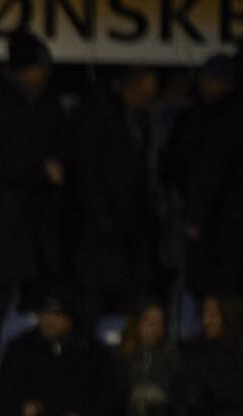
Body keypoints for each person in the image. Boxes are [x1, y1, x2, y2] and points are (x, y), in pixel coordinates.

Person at [0, 33, 68, 337]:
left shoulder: (49, 102)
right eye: (38, 67)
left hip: (39, 229)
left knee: (35, 309)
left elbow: (63, 147)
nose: (43, 74)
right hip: (0, 226)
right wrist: (38, 170)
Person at [165, 55, 243, 310]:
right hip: (242, 229)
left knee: (210, 291)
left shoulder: (222, 119)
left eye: (209, 81)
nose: (204, 86)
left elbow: (208, 172)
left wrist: (196, 218)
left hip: (220, 230)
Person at [0, 296, 121, 416]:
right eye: (46, 314)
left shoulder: (93, 351)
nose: (50, 321)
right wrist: (21, 408)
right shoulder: (20, 347)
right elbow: (1, 394)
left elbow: (109, 399)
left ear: (69, 319)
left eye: (57, 316)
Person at [69, 67, 161, 321]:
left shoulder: (140, 122)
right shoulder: (99, 116)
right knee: (95, 305)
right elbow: (87, 176)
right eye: (144, 93)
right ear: (129, 87)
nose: (147, 100)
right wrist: (102, 221)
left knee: (127, 309)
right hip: (100, 236)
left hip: (131, 237)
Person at [115, 301, 184, 416]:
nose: (155, 328)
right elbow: (115, 389)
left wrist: (154, 394)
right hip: (126, 413)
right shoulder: (122, 353)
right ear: (137, 323)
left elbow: (175, 387)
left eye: (159, 323)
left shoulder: (170, 353)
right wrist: (134, 393)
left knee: (158, 413)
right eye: (149, 322)